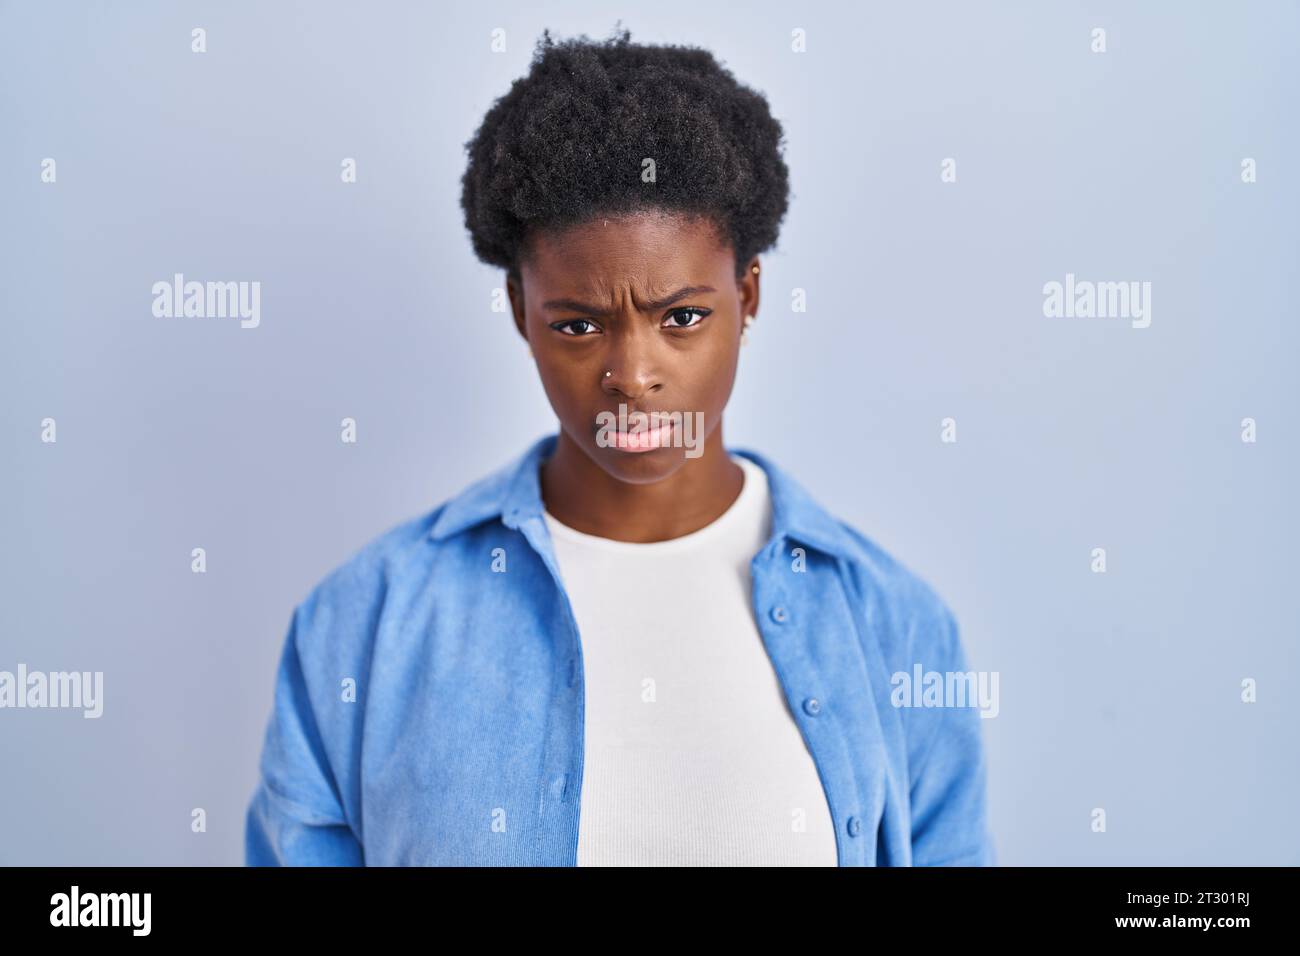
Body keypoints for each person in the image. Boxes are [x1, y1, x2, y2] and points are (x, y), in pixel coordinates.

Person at [245, 27, 994, 867]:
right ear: (519, 310)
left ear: (747, 296)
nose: (632, 376)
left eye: (683, 316)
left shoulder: (893, 625)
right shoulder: (364, 624)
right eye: (578, 325)